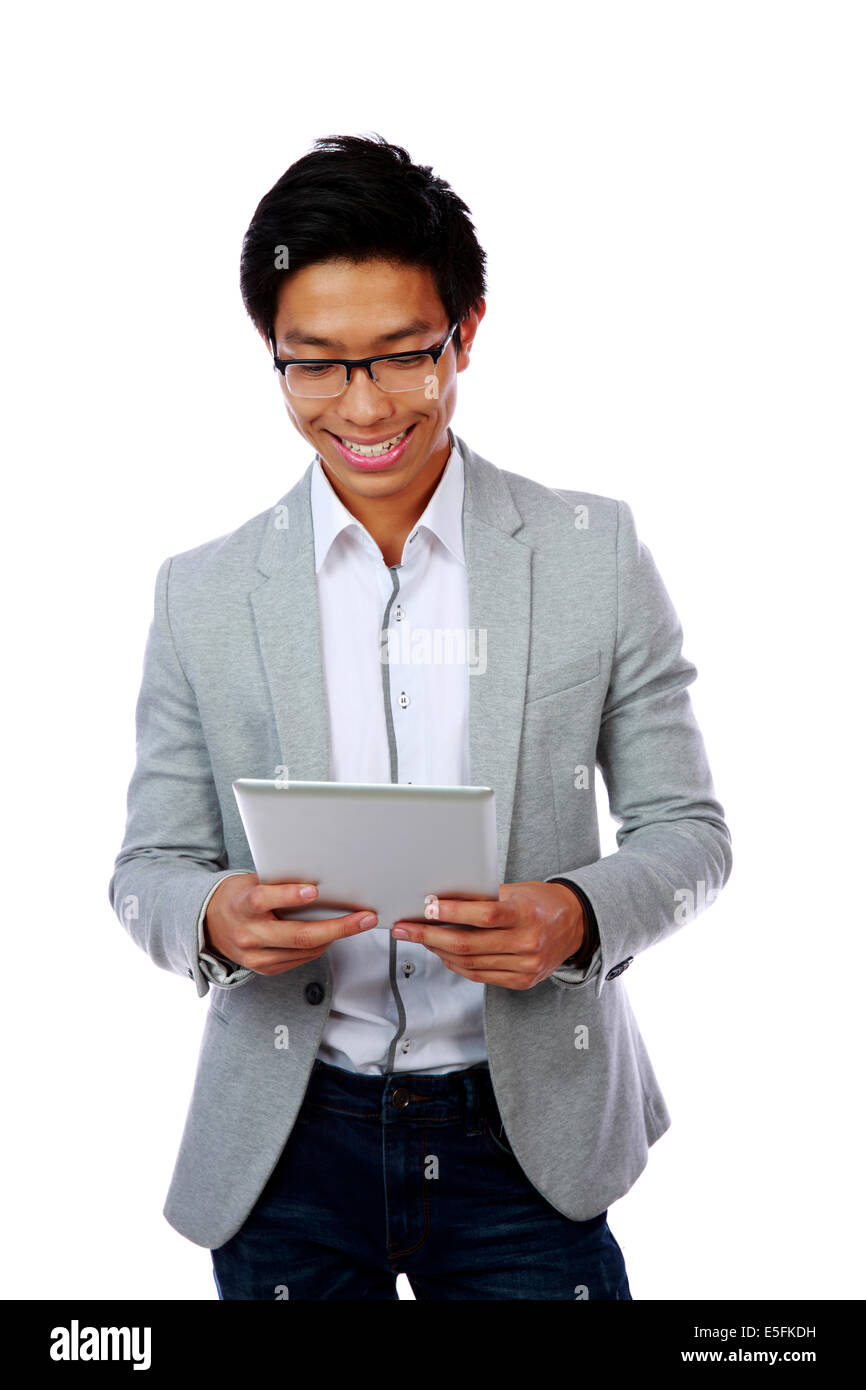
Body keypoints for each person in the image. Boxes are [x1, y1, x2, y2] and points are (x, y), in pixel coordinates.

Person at [109, 133, 732, 1301]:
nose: (362, 406)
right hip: (288, 1145)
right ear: (270, 352)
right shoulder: (199, 591)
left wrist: (576, 918)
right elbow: (146, 866)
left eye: (401, 355)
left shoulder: (589, 556)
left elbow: (690, 835)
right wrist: (212, 914)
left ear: (468, 331)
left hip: (524, 1141)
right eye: (315, 364)